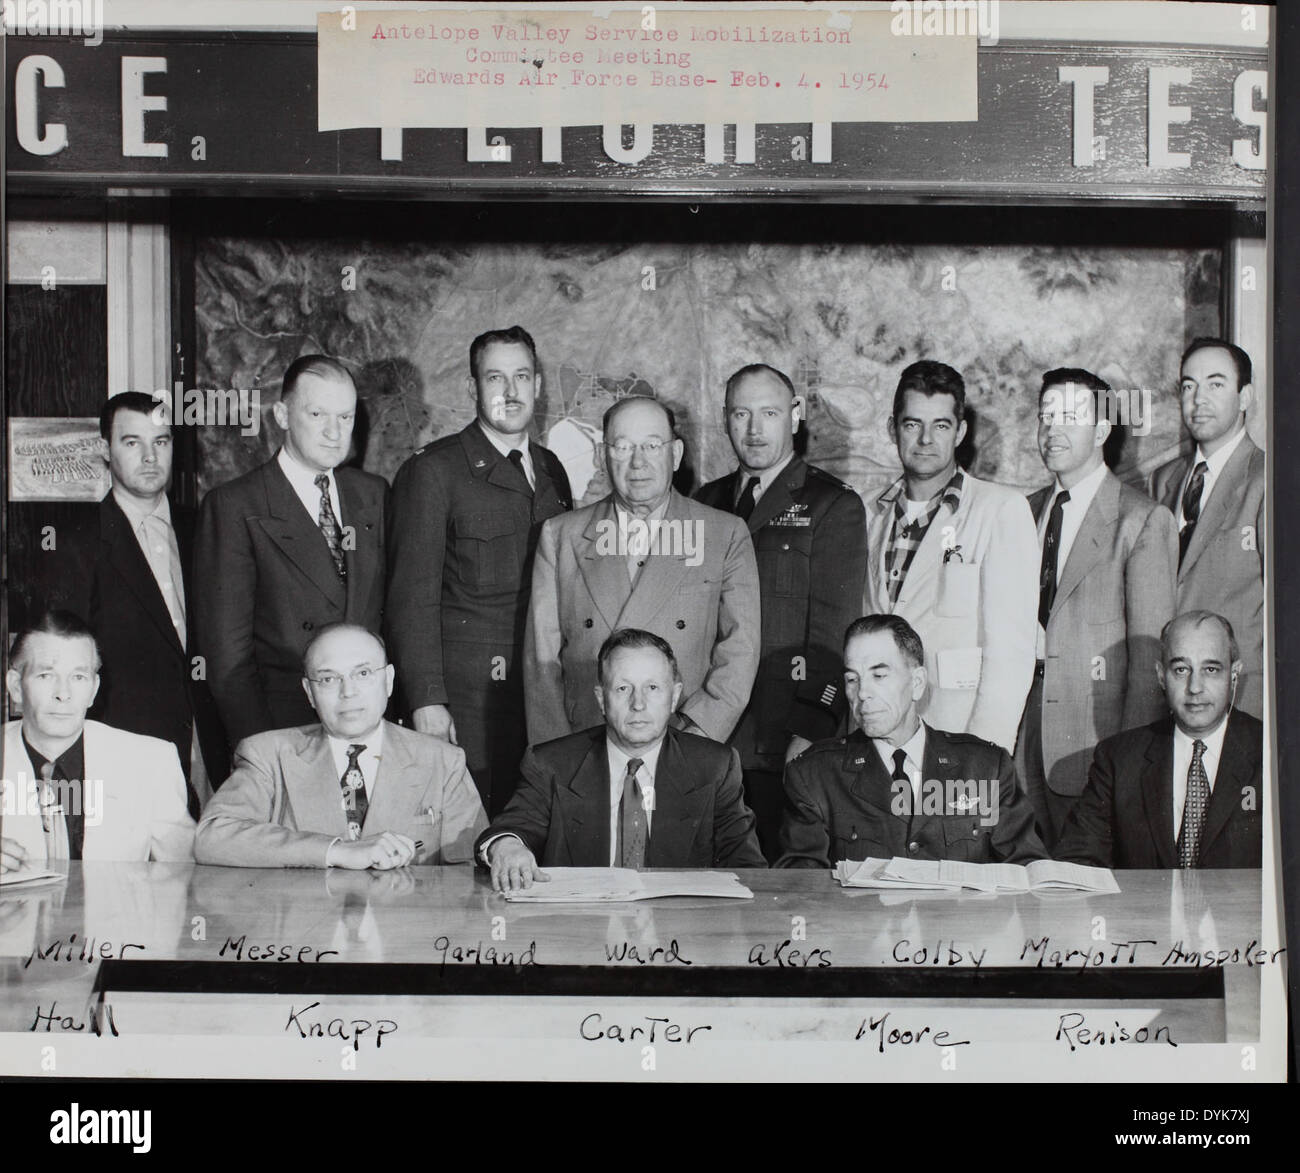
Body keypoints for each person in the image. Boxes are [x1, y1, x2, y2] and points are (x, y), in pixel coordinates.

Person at [385, 326, 571, 816]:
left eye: (522, 377)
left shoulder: (552, 469)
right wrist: (426, 701)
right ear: (472, 389)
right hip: (469, 705)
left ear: (538, 386)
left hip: (542, 698)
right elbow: (411, 599)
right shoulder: (434, 472)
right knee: (468, 843)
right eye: (495, 378)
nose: (510, 392)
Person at [19, 391, 228, 815]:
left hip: (210, 744)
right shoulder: (76, 540)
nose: (150, 457)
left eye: (162, 442)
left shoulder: (203, 527)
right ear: (105, 451)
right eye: (132, 443)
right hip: (124, 746)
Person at [695, 363, 867, 860]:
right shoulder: (704, 503)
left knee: (783, 883)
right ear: (725, 420)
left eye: (769, 413)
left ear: (795, 416)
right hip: (711, 733)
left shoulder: (832, 504)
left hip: (784, 735)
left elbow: (836, 632)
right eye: (741, 414)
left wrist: (809, 728)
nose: (754, 429)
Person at [524, 396, 760, 746]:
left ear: (675, 454)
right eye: (622, 447)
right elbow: (541, 663)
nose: (638, 462)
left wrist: (698, 741)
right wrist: (558, 754)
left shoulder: (723, 534)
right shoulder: (561, 536)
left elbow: (740, 651)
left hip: (682, 742)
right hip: (586, 745)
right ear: (603, 455)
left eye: (652, 445)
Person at [1016, 369, 1178, 849]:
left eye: (1069, 416)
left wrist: (1127, 772)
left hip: (1094, 750)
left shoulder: (1142, 520)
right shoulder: (1022, 512)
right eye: (1045, 416)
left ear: (1103, 429)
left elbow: (1151, 664)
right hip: (1018, 748)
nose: (1052, 429)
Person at [194, 355, 389, 748]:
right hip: (285, 731)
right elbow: (228, 658)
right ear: (282, 415)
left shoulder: (373, 495)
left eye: (346, 417)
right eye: (317, 414)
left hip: (367, 730)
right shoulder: (236, 506)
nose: (335, 432)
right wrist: (260, 753)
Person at [478, 628, 765, 891]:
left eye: (652, 688)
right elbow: (513, 827)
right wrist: (506, 845)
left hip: (678, 936)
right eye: (623, 688)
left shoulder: (714, 766)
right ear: (602, 699)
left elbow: (747, 867)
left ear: (674, 696)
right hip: (579, 933)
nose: (638, 704)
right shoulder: (552, 763)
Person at [195, 624, 487, 869]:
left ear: (388, 681)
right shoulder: (268, 756)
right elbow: (211, 838)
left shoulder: (443, 761)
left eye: (362, 674)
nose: (348, 692)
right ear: (309, 692)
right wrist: (336, 851)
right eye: (328, 679)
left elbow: (469, 874)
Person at [777, 614, 1046, 869]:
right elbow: (801, 887)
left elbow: (1026, 871)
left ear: (917, 683)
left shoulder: (985, 768)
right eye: (852, 679)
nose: (862, 693)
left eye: (879, 676)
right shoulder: (814, 776)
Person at [864, 361, 1038, 753]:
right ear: (893, 429)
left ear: (960, 431)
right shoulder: (869, 515)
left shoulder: (999, 510)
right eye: (913, 424)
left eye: (941, 425)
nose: (926, 439)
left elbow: (1010, 655)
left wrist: (984, 757)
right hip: (878, 741)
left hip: (957, 738)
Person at [1054, 611, 1262, 869]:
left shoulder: (1274, 756)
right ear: (1161, 676)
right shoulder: (1118, 760)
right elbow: (1076, 862)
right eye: (1181, 669)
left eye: (1210, 669)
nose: (1195, 687)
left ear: (1234, 674)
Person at [1, 611, 195, 871]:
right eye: (45, 675)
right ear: (15, 686)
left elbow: (187, 877)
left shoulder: (151, 762)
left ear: (93, 689)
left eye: (78, 677)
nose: (63, 694)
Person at [1150, 338, 1265, 720]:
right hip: (1172, 701)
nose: (1198, 399)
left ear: (1245, 396)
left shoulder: (1269, 480)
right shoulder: (1163, 480)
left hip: (1244, 701)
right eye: (1188, 386)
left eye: (1215, 384)